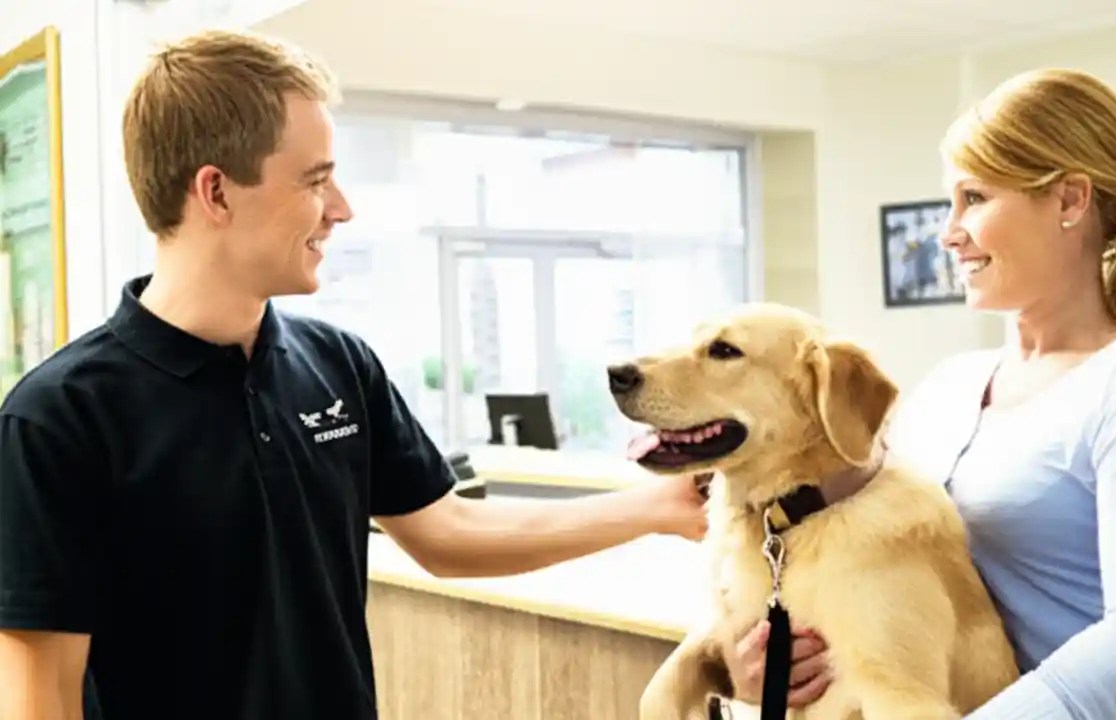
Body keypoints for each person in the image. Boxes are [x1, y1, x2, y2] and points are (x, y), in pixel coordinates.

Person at [0, 29, 708, 720]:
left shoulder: (338, 364)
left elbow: (449, 532)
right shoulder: (57, 418)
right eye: (315, 181)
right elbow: (41, 696)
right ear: (215, 193)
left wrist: (656, 508)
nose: (341, 209)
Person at [724, 68, 1116, 719]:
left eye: (974, 198)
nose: (948, 232)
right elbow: (875, 569)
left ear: (1069, 201)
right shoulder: (949, 387)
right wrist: (766, 661)